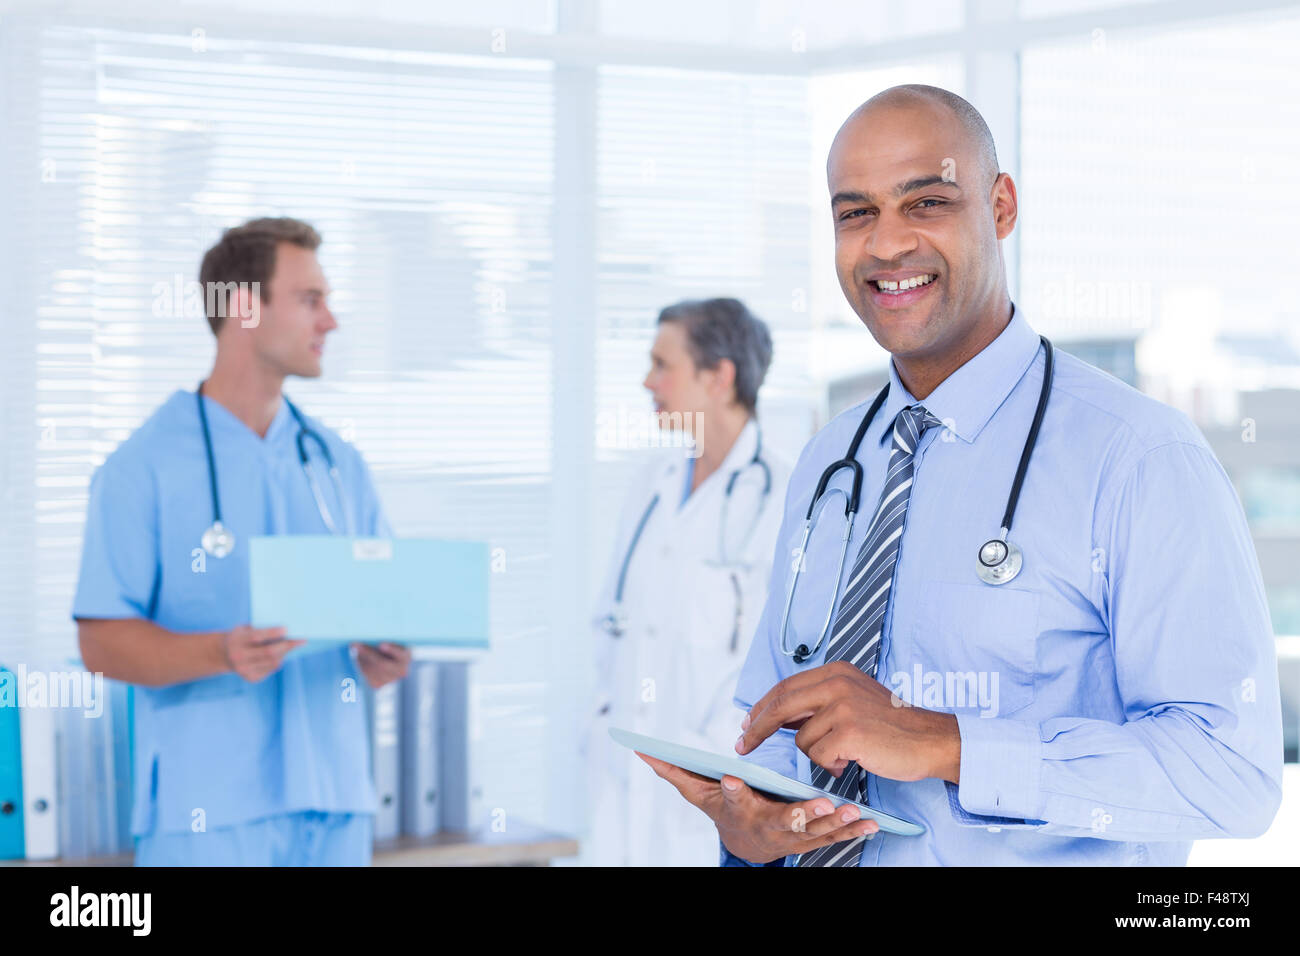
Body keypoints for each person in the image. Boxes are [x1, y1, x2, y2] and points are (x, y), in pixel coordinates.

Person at [640, 85, 1283, 866]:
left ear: (1002, 206)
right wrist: (754, 821)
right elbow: (775, 716)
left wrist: (949, 745)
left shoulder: (1141, 460)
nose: (885, 246)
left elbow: (1230, 773)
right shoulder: (831, 460)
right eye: (856, 213)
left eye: (927, 203)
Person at [72, 217, 412, 866]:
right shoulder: (140, 467)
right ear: (243, 308)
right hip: (208, 813)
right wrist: (220, 652)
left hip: (333, 805)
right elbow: (100, 643)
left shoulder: (336, 463)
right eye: (310, 299)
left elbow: (383, 609)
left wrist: (382, 661)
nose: (330, 321)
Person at [587, 297, 790, 866]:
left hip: (713, 791)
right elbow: (612, 621)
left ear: (718, 376)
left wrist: (716, 756)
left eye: (662, 364)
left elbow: (782, 664)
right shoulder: (652, 486)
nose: (647, 381)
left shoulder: (784, 497)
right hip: (624, 781)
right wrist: (603, 715)